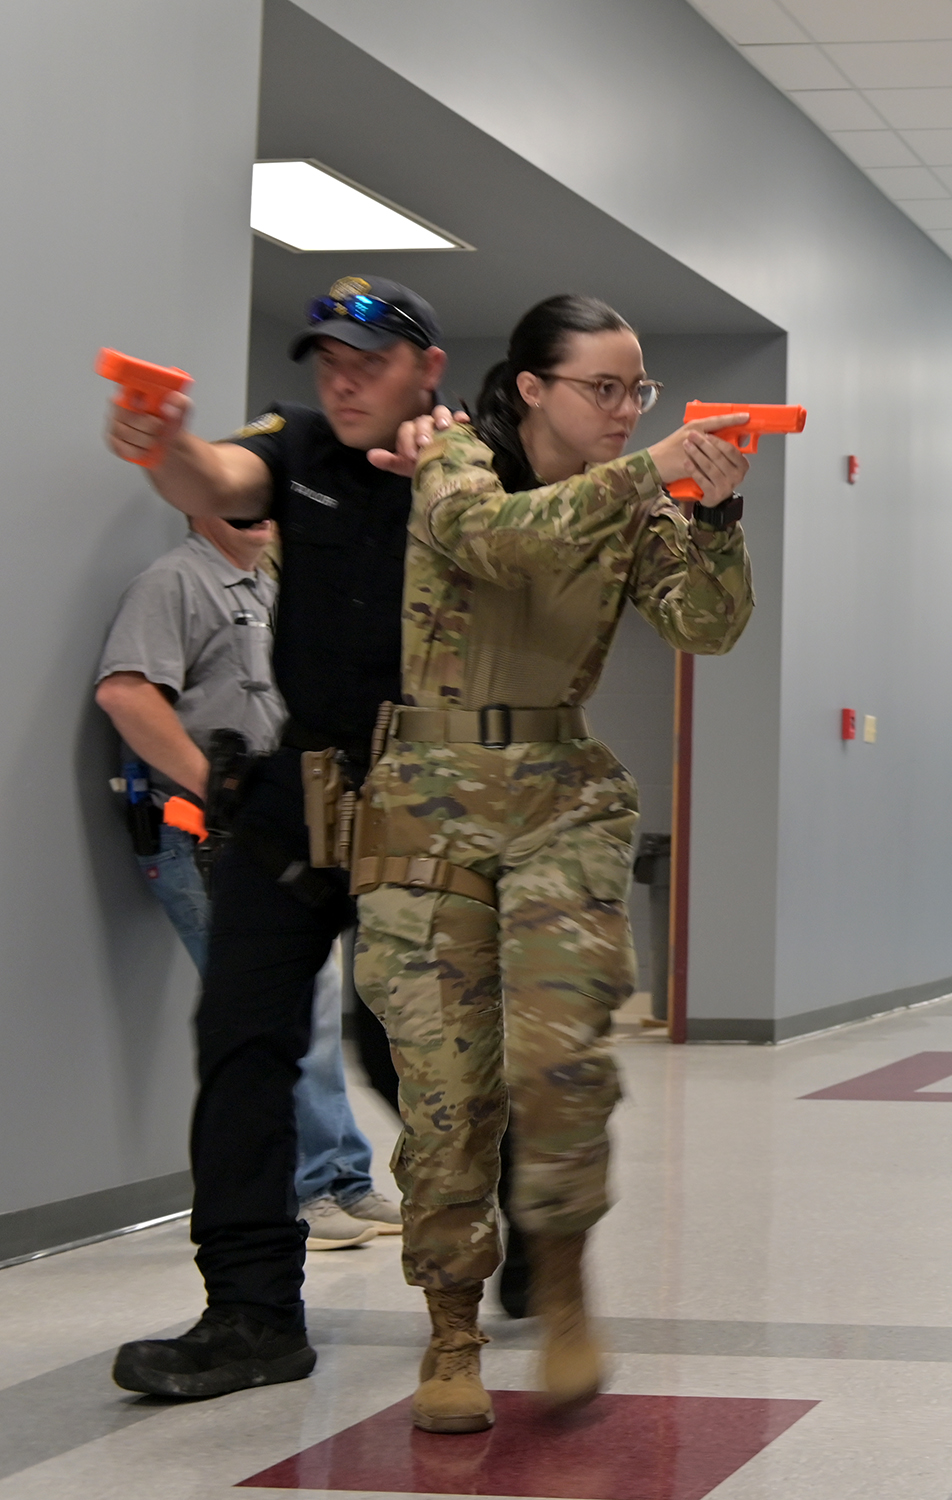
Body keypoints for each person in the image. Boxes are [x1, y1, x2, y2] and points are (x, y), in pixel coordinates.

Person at [354, 294, 754, 1434]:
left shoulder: (634, 501)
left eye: (641, 392)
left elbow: (706, 628)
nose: (629, 411)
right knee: (446, 1089)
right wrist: (649, 474)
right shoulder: (457, 470)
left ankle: (568, 1283)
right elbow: (498, 543)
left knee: (563, 1058)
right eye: (606, 388)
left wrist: (719, 519)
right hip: (426, 806)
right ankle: (452, 1325)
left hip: (562, 798)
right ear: (532, 388)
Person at [106, 277, 452, 1400]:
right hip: (295, 793)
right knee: (243, 1039)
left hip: (427, 796)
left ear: (425, 367)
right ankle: (251, 1311)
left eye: (368, 359)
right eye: (327, 359)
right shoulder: (294, 444)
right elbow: (214, 477)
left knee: (396, 1042)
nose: (341, 379)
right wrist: (161, 444)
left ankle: (499, 1237)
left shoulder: (471, 468)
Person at [95, 518, 400, 1252]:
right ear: (200, 507)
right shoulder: (176, 582)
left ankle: (340, 1180)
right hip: (202, 832)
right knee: (273, 1013)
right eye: (238, 501)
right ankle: (312, 1185)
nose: (258, 514)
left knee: (316, 1005)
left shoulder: (269, 588)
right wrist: (217, 795)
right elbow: (126, 693)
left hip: (280, 831)